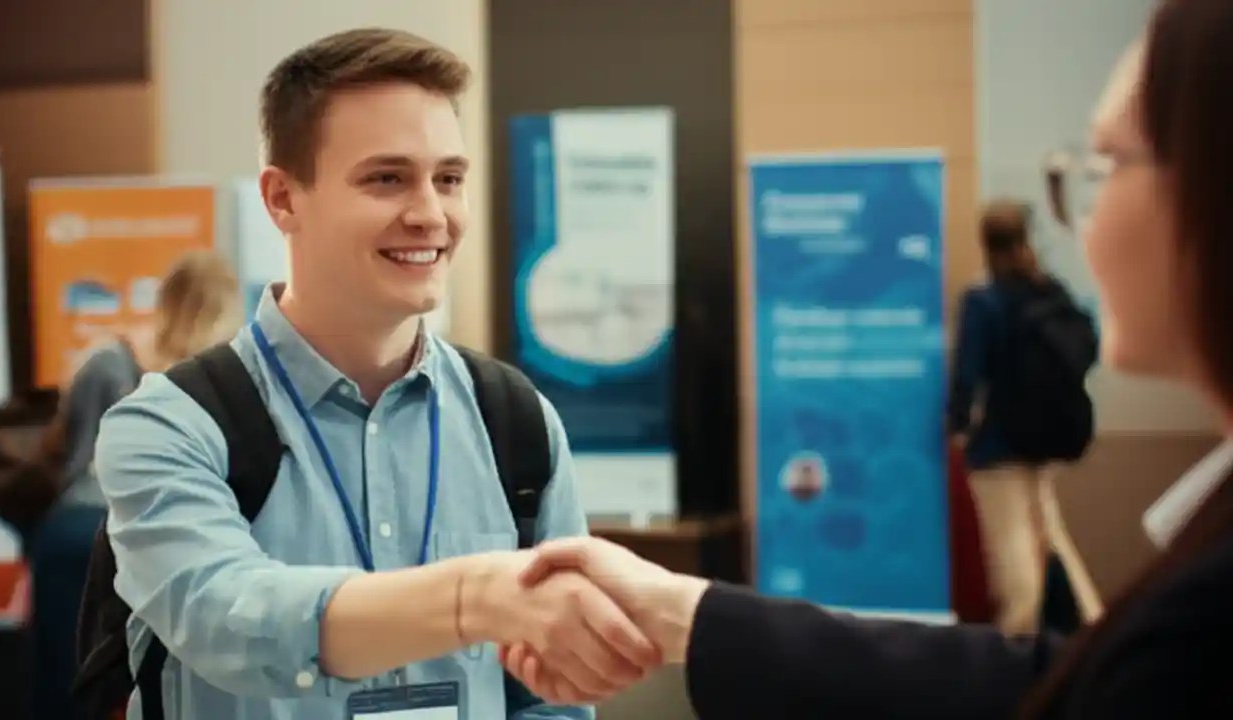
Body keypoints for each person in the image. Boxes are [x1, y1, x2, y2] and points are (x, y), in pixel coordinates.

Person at [501, 1, 1233, 716]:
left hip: (1000, 448)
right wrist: (688, 615)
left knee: (1022, 558)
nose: (1089, 221)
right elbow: (1036, 685)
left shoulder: (1201, 612)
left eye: (1106, 167)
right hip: (1032, 450)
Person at [93, 28, 656, 720]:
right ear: (282, 200)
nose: (430, 214)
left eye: (448, 179)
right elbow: (227, 617)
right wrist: (472, 599)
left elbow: (549, 699)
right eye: (386, 178)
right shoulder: (170, 426)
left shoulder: (515, 422)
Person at [29, 249, 242, 720]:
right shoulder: (217, 379)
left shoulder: (109, 359)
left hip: (75, 532)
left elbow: (74, 460)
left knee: (65, 681)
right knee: (138, 683)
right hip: (148, 540)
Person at [947, 200, 1103, 636]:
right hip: (1043, 437)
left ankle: (1018, 635)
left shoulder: (983, 301)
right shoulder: (1047, 290)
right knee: (1049, 535)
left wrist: (957, 427)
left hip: (997, 444)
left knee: (1011, 540)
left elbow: (968, 374)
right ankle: (1093, 626)